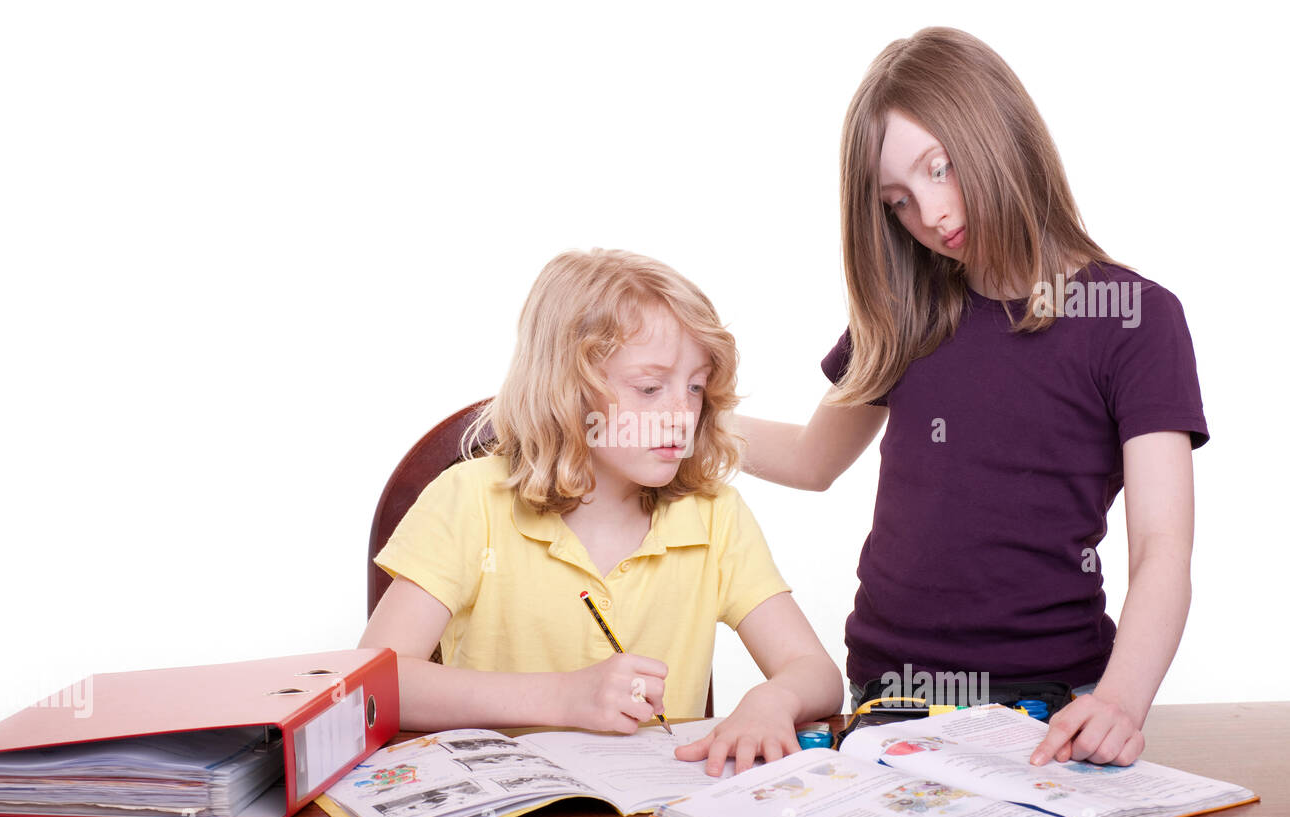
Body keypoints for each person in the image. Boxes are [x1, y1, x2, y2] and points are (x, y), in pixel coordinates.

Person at [735, 27, 1205, 767]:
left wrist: (1118, 702)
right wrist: (678, 424)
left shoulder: (1134, 318)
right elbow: (809, 459)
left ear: (998, 132)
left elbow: (1162, 549)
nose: (929, 214)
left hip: (1056, 702)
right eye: (898, 201)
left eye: (940, 169)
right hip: (891, 697)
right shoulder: (907, 311)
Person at [359, 248, 843, 775]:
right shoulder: (470, 499)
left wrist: (774, 700)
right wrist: (563, 698)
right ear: (569, 390)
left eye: (696, 387)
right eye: (651, 387)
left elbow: (816, 672)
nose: (682, 414)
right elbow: (376, 684)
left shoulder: (714, 515)